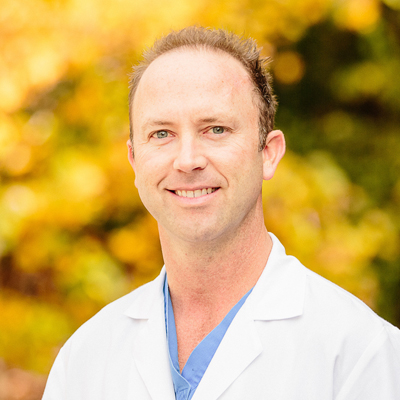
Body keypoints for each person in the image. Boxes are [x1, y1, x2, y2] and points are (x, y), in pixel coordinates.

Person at [42, 26, 400, 400]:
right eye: (162, 134)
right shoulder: (85, 360)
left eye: (216, 129)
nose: (187, 160)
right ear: (134, 160)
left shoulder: (360, 352)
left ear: (268, 153)